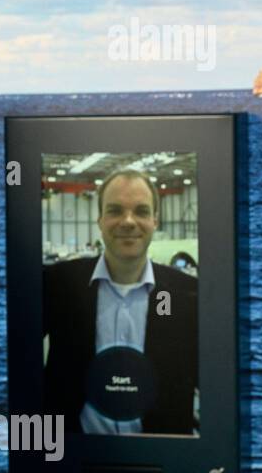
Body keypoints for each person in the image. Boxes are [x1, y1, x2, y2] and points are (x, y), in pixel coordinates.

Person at [41, 169, 198, 436]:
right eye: (115, 210)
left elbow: (214, 380)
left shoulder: (188, 294)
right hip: (70, 457)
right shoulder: (57, 284)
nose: (128, 221)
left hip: (164, 459)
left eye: (141, 211)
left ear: (155, 221)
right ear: (99, 220)